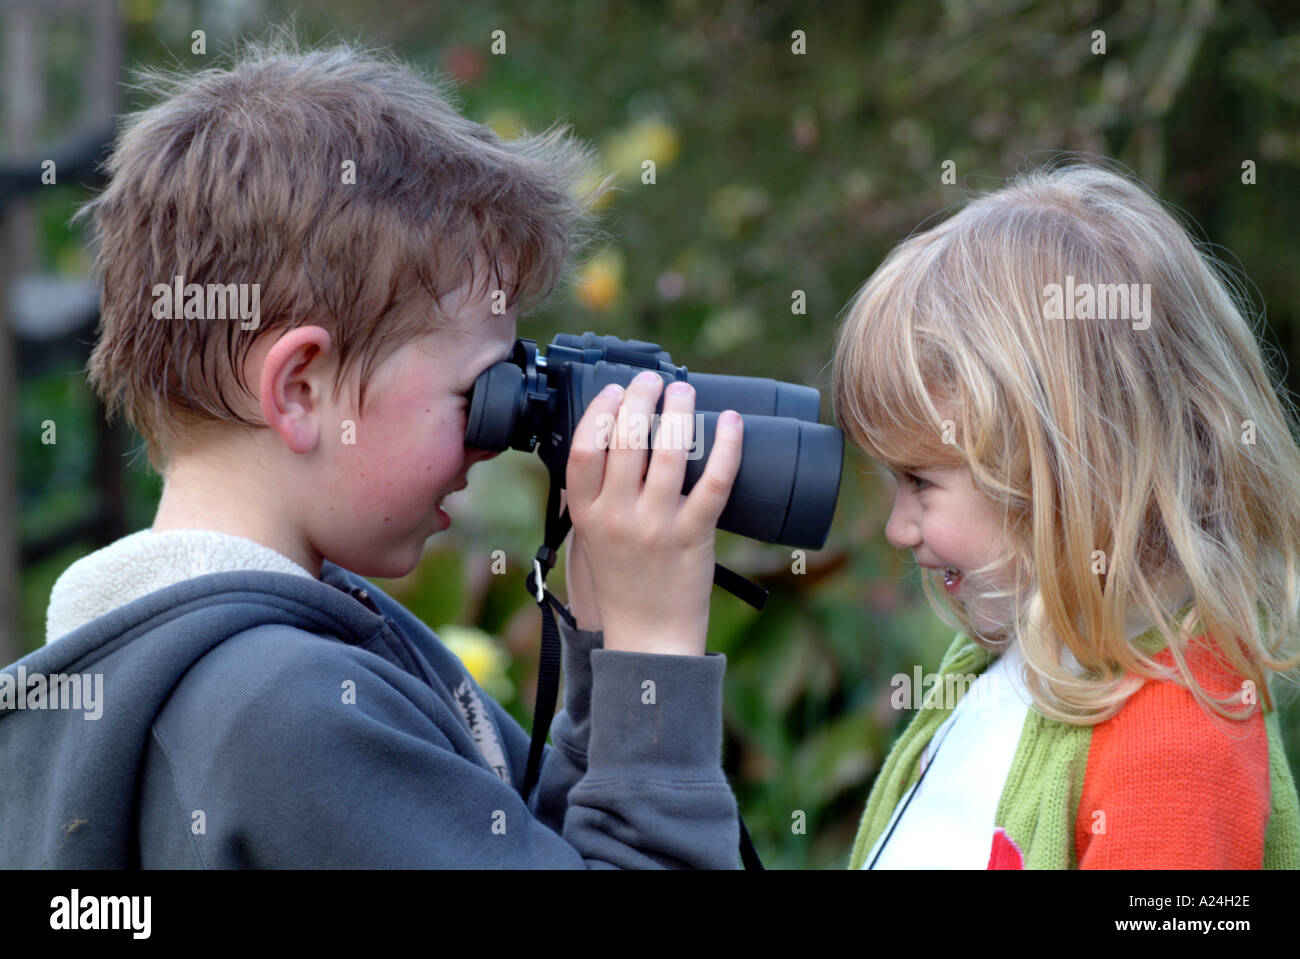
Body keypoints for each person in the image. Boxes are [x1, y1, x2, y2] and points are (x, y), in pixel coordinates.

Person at [0, 38, 746, 868]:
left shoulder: (170, 669)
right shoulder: (289, 714)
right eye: (475, 395)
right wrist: (656, 659)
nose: (491, 444)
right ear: (300, 390)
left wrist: (605, 671)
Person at [833, 160, 1300, 869]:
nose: (899, 528)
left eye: (920, 482)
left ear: (1063, 472)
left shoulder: (1174, 749)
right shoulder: (1014, 669)